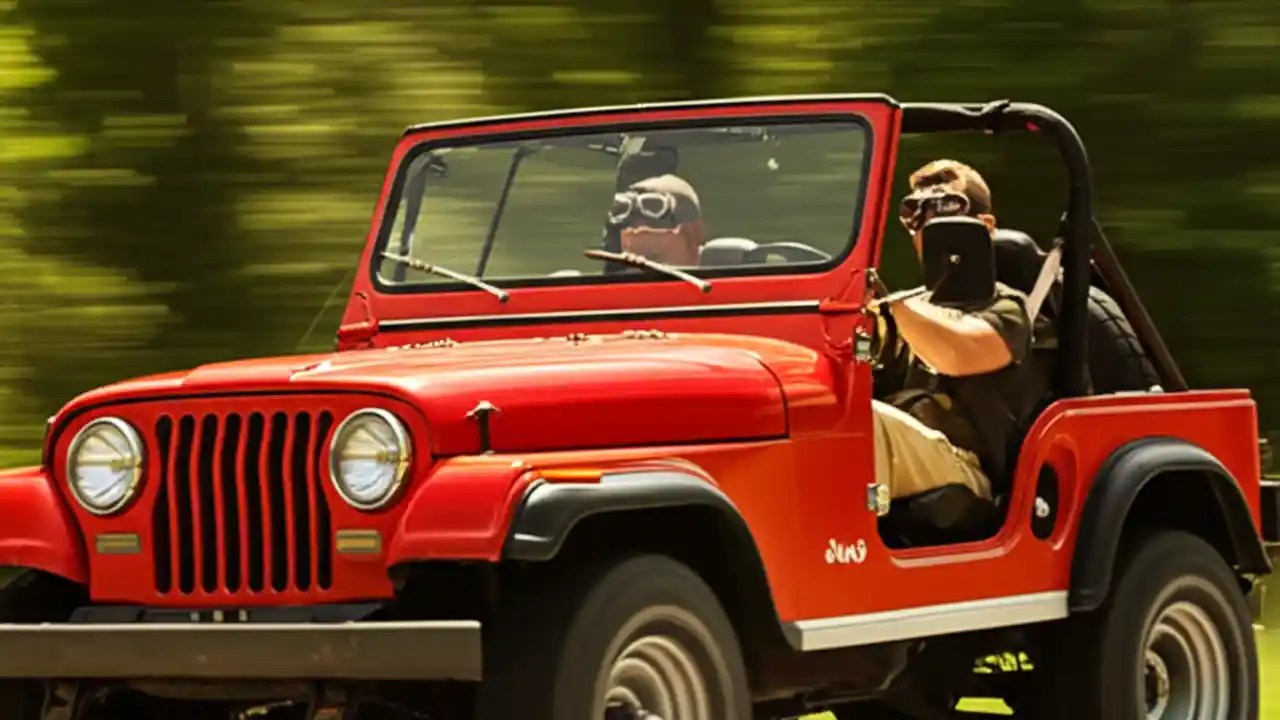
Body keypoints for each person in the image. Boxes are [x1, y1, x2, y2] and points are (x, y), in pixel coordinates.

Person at [869, 159, 1053, 504]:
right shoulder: (903, 310)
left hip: (968, 470)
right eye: (915, 212)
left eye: (946, 207)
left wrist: (889, 305)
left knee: (862, 427)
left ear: (985, 226)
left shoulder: (1006, 306)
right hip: (913, 453)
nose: (928, 223)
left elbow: (958, 353)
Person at [607, 173, 707, 266]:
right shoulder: (614, 282)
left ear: (694, 232)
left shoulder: (719, 276)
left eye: (653, 258)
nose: (635, 232)